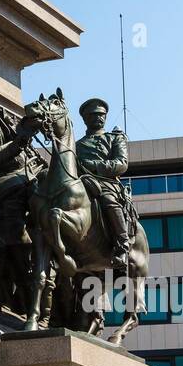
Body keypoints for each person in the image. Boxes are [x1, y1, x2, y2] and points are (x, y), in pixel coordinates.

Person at [75, 97, 130, 269]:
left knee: (108, 200)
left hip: (106, 183)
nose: (99, 118)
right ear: (85, 119)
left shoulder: (114, 139)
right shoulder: (77, 145)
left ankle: (122, 245)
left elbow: (122, 164)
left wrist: (95, 166)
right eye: (94, 115)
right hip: (82, 183)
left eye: (102, 115)